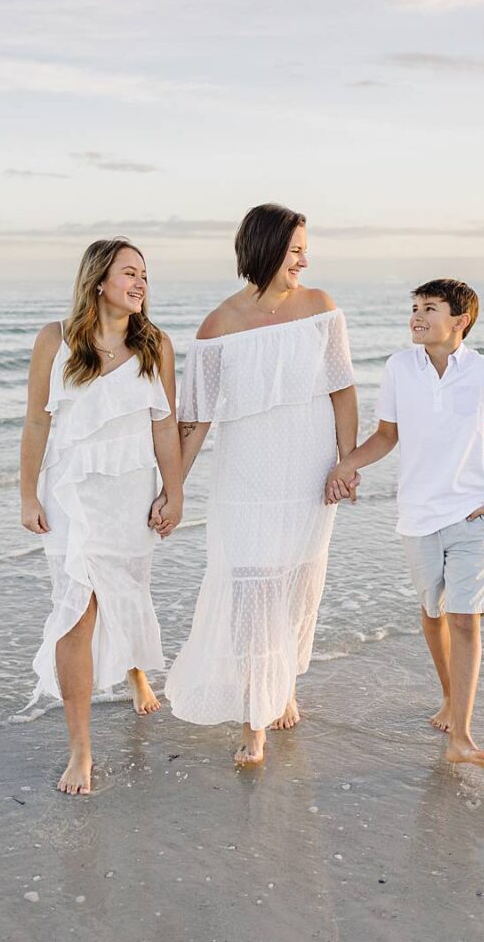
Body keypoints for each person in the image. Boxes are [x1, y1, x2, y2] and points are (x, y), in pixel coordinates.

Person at [164, 203, 358, 766]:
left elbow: (342, 391)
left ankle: (283, 686)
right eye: (295, 248)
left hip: (307, 466)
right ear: (267, 248)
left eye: (305, 249)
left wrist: (346, 463)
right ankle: (255, 719)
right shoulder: (218, 324)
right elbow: (194, 419)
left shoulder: (321, 308)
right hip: (246, 474)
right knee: (251, 587)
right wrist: (173, 487)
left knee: (298, 583)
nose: (304, 258)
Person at [326, 279, 484, 766]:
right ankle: (451, 698)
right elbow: (387, 435)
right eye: (414, 307)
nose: (416, 316)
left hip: (471, 513)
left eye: (429, 309)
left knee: (465, 619)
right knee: (433, 614)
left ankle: (462, 737)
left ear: (460, 320)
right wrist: (347, 464)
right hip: (417, 514)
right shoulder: (398, 367)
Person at [20, 238, 183, 795]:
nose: (140, 283)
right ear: (98, 280)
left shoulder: (155, 345)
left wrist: (175, 492)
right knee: (76, 609)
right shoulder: (56, 340)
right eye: (129, 273)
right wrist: (27, 495)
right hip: (70, 493)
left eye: (144, 275)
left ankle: (136, 673)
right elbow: (37, 423)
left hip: (129, 490)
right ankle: (81, 749)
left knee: (126, 591)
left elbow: (165, 425)